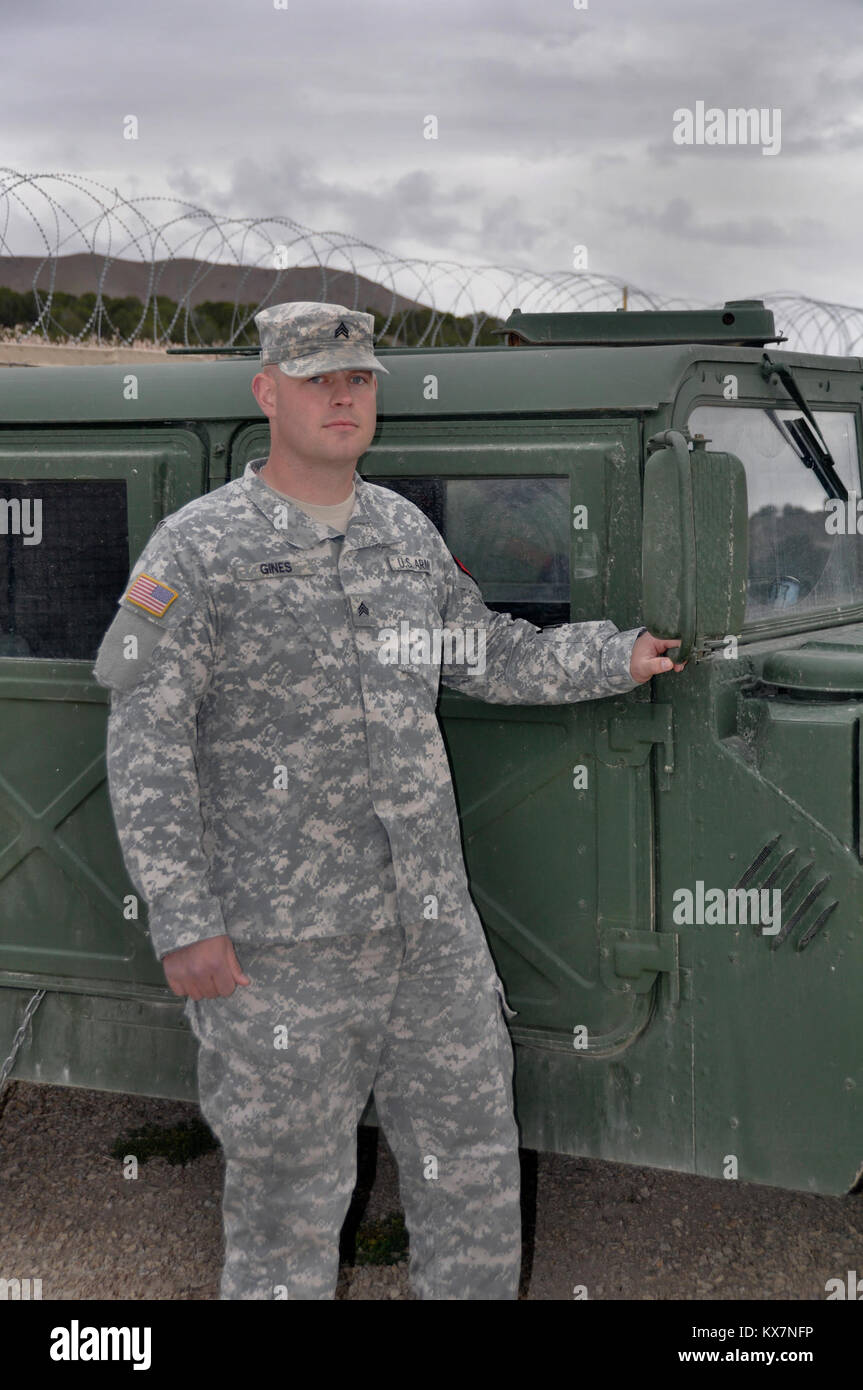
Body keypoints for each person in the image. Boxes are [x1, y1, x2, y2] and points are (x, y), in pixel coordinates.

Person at [93, 300, 684, 1301]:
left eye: (357, 379)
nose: (341, 396)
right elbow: (142, 736)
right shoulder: (194, 550)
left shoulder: (403, 534)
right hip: (279, 952)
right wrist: (184, 919)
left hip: (429, 934)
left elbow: (487, 652)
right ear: (266, 391)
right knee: (287, 1207)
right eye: (317, 378)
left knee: (474, 1178)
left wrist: (611, 655)